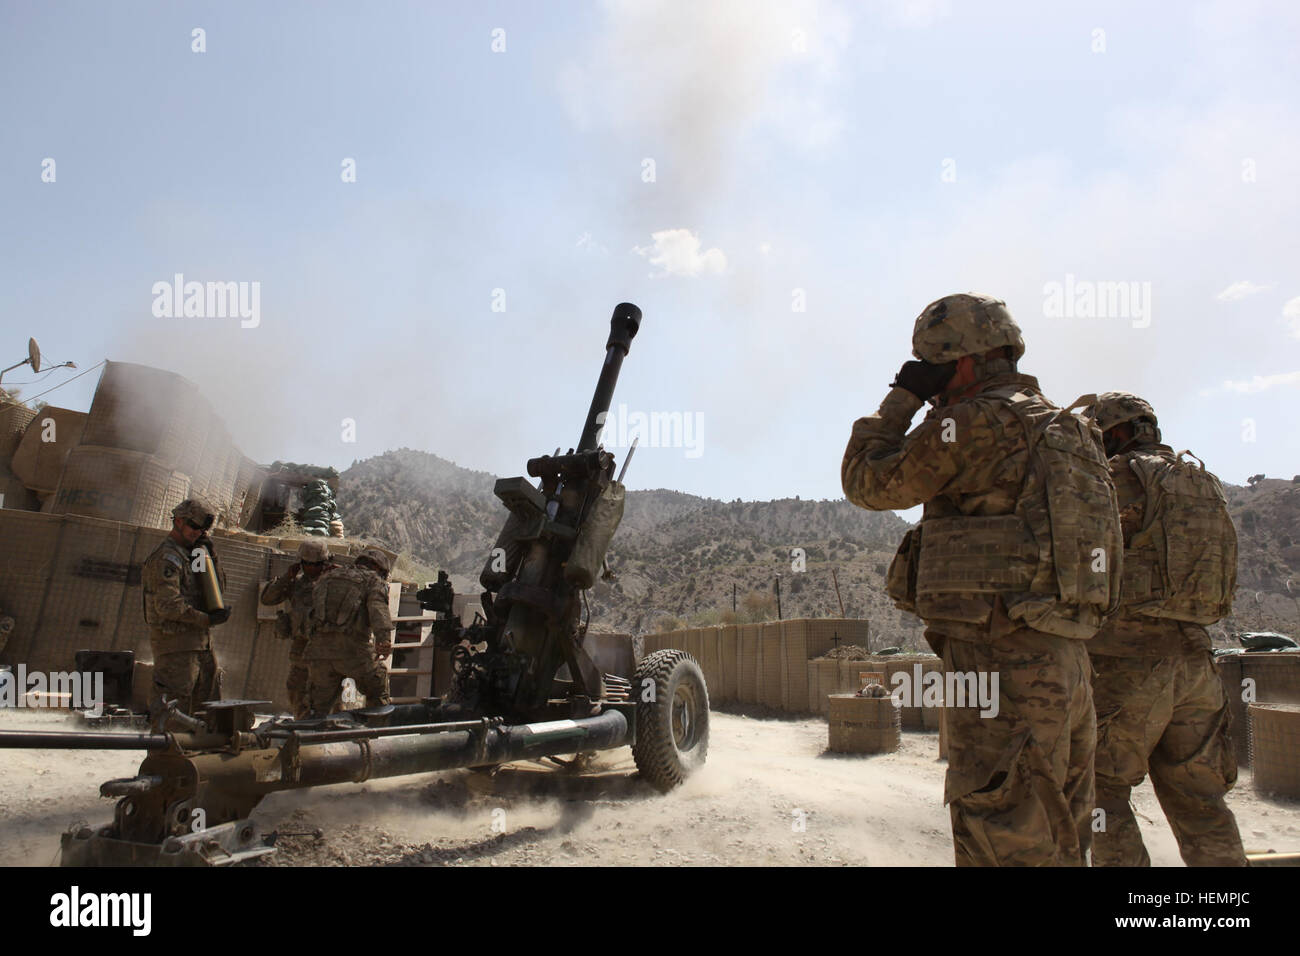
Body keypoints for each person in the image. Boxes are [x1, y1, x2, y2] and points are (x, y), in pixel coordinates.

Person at [841, 292, 1121, 866]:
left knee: (1001, 835)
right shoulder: (1069, 428)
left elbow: (867, 481)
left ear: (960, 361)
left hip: (1002, 667)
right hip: (1069, 664)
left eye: (935, 366)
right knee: (1061, 840)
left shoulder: (973, 422)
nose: (935, 385)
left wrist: (903, 397)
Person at [1082, 392, 1247, 866]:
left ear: (1114, 433)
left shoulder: (1114, 478)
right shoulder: (1201, 482)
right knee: (1203, 800)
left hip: (1127, 660)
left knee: (1101, 794)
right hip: (1196, 658)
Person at [141, 496, 230, 726]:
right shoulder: (167, 558)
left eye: (203, 529)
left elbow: (217, 590)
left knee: (207, 714)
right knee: (173, 715)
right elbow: (168, 605)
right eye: (194, 526)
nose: (197, 533)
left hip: (200, 646)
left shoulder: (194, 554)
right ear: (179, 522)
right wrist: (206, 620)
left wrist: (212, 555)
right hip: (175, 648)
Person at [303, 547, 394, 716]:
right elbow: (377, 609)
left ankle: (307, 737)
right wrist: (384, 639)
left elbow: (309, 613)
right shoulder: (373, 580)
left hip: (318, 651)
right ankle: (374, 735)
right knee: (378, 688)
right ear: (378, 569)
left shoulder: (327, 577)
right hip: (352, 651)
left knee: (316, 708)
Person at [261, 538, 336, 718]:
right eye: (306, 564)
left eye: (316, 564)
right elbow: (268, 599)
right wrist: (287, 577)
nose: (311, 568)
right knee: (296, 690)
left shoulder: (334, 583)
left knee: (325, 693)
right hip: (301, 648)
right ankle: (301, 723)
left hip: (326, 650)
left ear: (325, 563)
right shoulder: (296, 584)